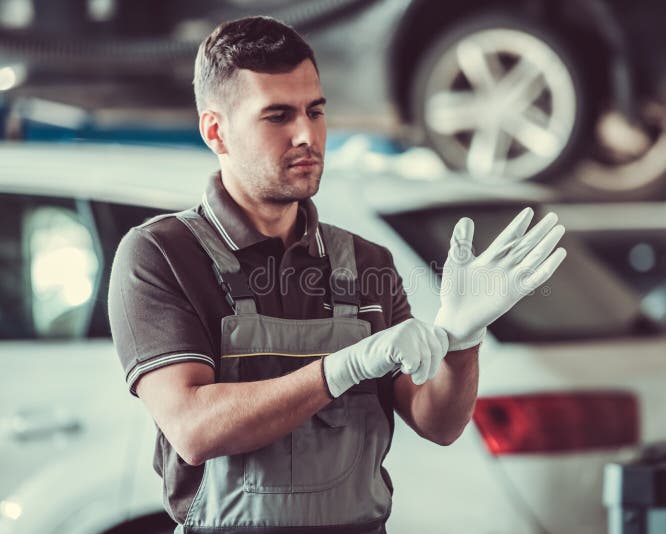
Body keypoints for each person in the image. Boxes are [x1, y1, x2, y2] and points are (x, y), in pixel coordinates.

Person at [108, 16, 566, 534]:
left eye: (315, 111)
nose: (307, 134)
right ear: (217, 131)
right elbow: (193, 426)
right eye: (277, 115)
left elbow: (436, 423)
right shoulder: (162, 256)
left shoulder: (366, 263)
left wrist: (461, 339)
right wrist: (341, 369)